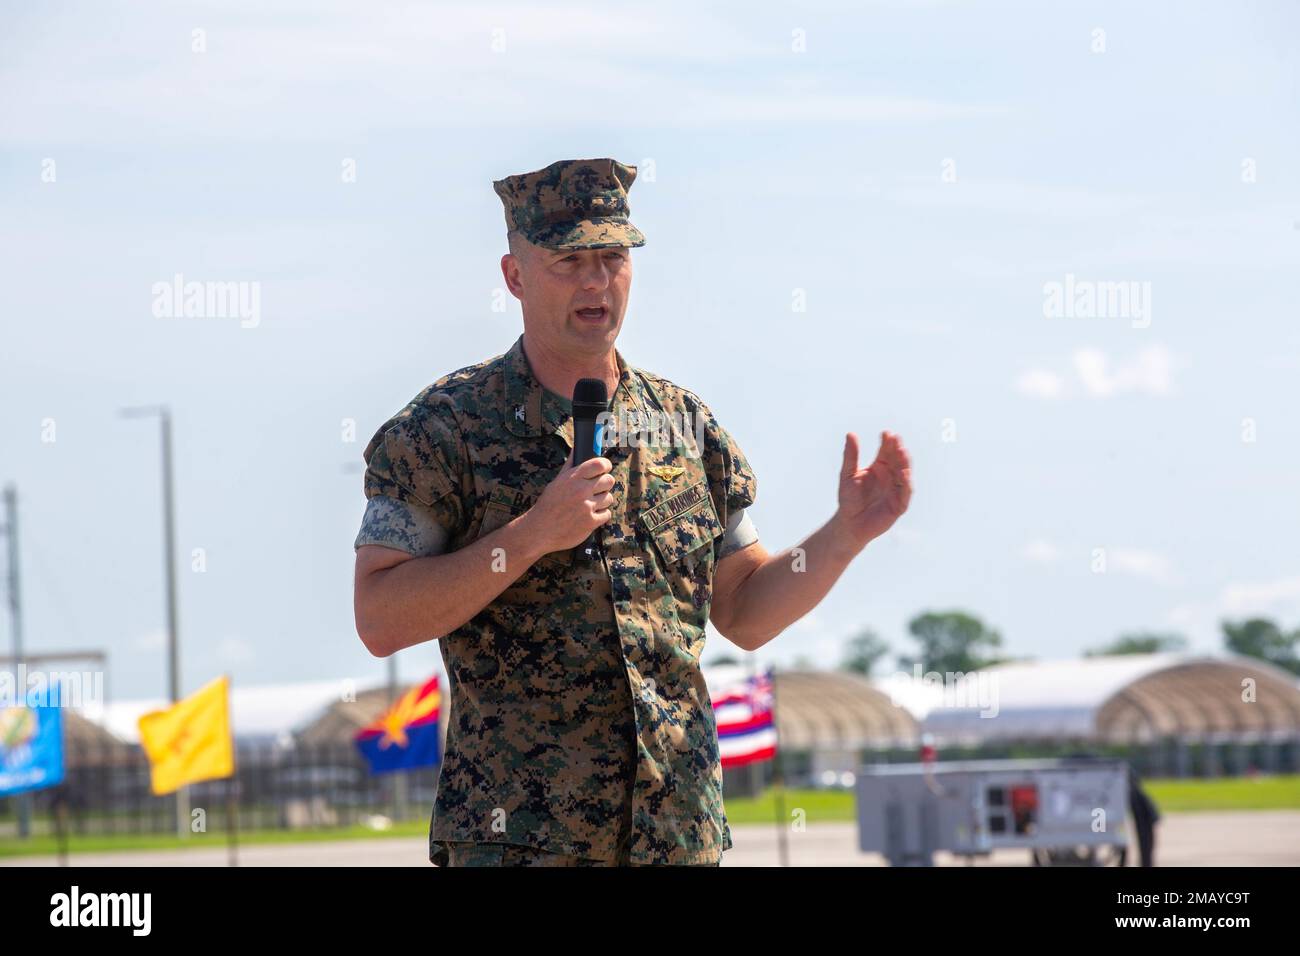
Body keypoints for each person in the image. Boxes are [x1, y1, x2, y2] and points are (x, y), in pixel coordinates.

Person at [352, 157, 912, 866]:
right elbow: (379, 617)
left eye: (612, 257)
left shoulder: (682, 425)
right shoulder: (445, 430)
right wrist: (529, 536)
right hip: (522, 843)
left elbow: (743, 610)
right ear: (515, 276)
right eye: (569, 260)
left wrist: (845, 535)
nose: (594, 281)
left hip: (673, 836)